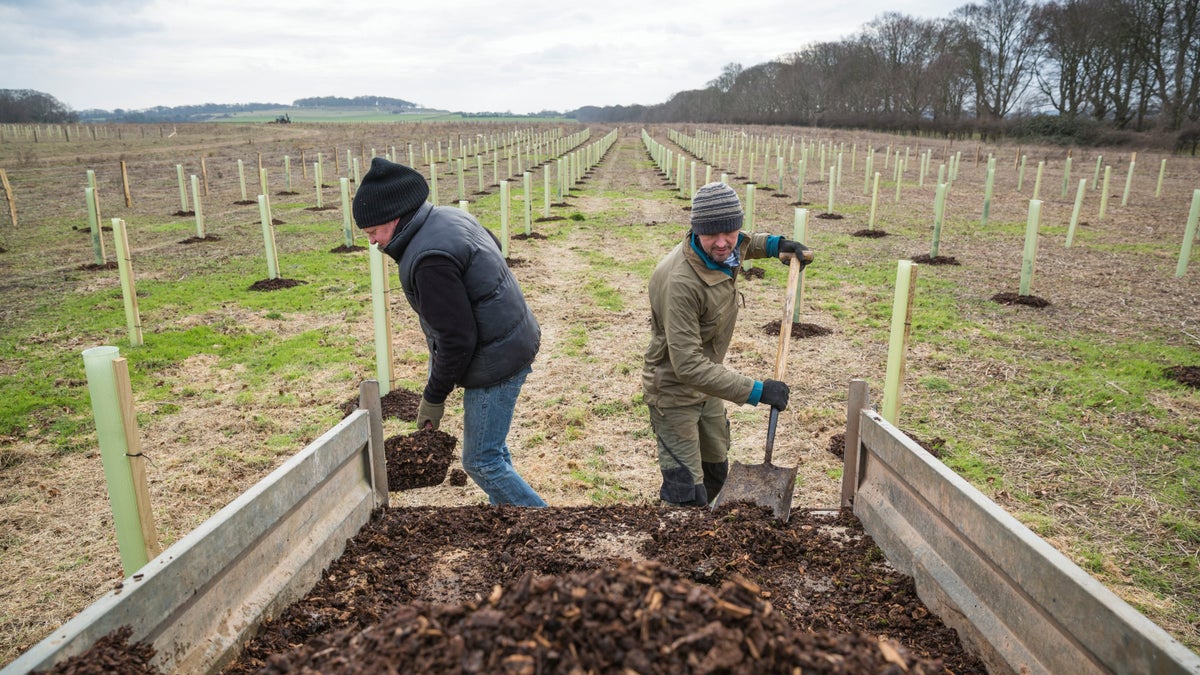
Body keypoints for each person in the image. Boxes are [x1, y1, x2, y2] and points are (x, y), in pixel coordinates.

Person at [353, 157, 546, 507]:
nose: (372, 242)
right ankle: (511, 519)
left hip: (497, 360)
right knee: (492, 450)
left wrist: (433, 399)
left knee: (480, 461)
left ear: (395, 218)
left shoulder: (429, 259)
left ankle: (549, 529)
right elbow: (492, 245)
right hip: (513, 339)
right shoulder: (444, 216)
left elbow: (457, 340)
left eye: (373, 232)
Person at [642, 181, 810, 507]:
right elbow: (688, 365)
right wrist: (758, 391)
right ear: (695, 231)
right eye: (711, 236)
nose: (722, 244)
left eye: (729, 232)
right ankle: (673, 548)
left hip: (708, 387)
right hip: (674, 391)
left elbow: (743, 245)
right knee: (686, 494)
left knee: (716, 472)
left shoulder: (725, 247)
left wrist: (777, 245)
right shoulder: (681, 282)